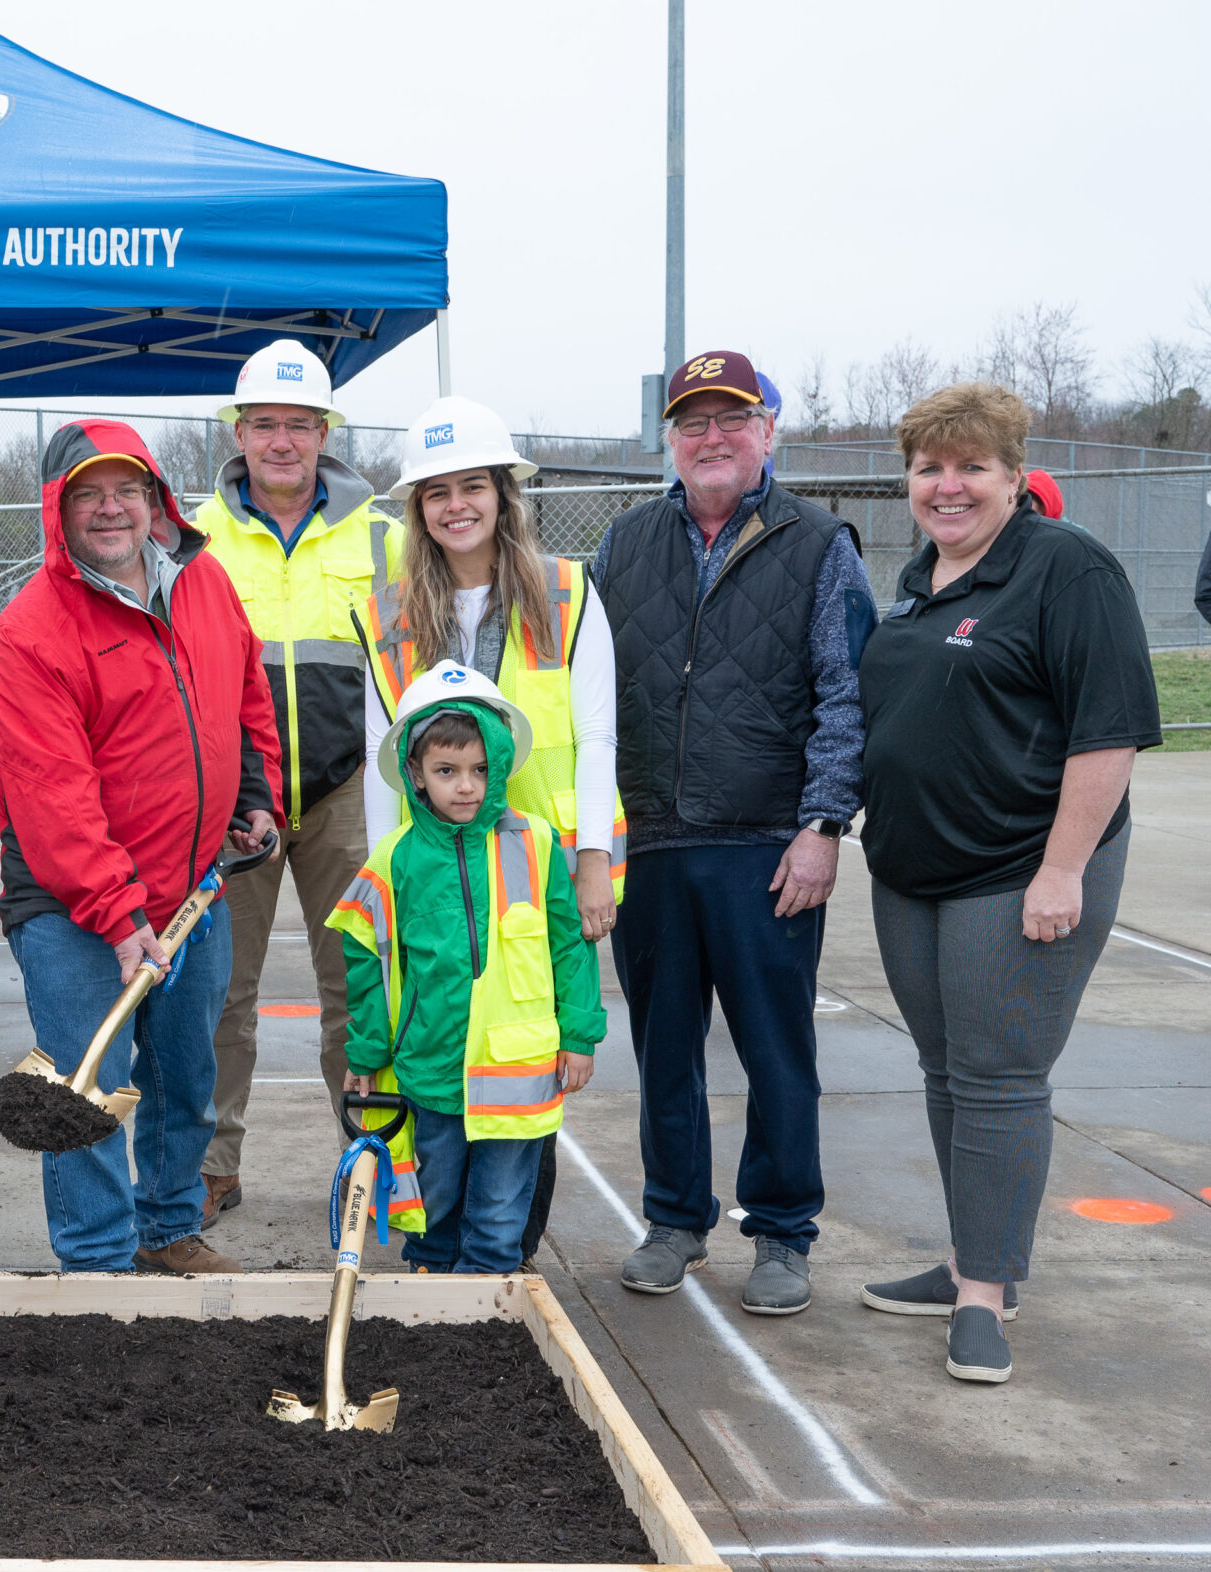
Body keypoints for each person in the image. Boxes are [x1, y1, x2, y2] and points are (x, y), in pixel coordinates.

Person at [855, 383, 1160, 1383]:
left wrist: (1061, 868)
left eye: (971, 467)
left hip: (1018, 867)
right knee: (946, 1070)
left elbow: (1108, 731)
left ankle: (985, 1295)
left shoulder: (1066, 568)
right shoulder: (921, 577)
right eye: (928, 468)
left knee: (998, 1076)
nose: (947, 486)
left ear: (1014, 475)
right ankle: (965, 1259)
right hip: (914, 872)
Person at [591, 349, 875, 1317]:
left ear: (766, 430)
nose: (710, 438)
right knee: (662, 1050)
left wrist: (824, 824)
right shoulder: (623, 543)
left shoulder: (818, 543)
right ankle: (674, 1218)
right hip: (651, 844)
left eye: (730, 419)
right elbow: (589, 693)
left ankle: (783, 1228)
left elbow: (846, 695)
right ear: (669, 440)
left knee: (775, 1050)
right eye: (691, 423)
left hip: (767, 847)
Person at [0, 420, 281, 1275]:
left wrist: (255, 794)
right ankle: (97, 1262)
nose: (110, 508)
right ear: (57, 509)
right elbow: (55, 801)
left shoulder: (202, 582)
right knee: (88, 1090)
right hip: (74, 910)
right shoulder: (29, 633)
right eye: (88, 494)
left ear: (155, 499)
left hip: (194, 890)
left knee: (188, 1077)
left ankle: (167, 1227)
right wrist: (118, 916)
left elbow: (244, 696)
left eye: (128, 489)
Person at [357, 397, 621, 1271]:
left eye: (473, 485)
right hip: (435, 873)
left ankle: (505, 1255)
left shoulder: (567, 590)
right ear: (417, 508)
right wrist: (387, 882)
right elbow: (379, 754)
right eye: (436, 492)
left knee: (522, 1061)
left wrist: (592, 861)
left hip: (534, 871)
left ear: (504, 494)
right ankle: (448, 1249)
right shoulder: (387, 611)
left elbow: (598, 733)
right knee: (437, 1062)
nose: (456, 505)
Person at [193, 339, 405, 1229]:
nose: (282, 440)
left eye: (300, 424)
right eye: (265, 424)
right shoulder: (193, 536)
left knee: (359, 989)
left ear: (326, 433)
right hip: (230, 798)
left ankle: (373, 1161)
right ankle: (211, 1165)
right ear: (239, 433)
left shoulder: (386, 537)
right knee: (220, 993)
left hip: (349, 792)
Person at [332, 666, 605, 1273]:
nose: (466, 786)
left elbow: (570, 946)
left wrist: (580, 1034)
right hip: (432, 1068)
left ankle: (488, 1294)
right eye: (446, 771)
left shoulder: (535, 842)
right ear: (415, 774)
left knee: (501, 1212)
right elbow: (368, 965)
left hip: (519, 1072)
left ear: (501, 764)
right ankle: (431, 1285)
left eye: (481, 769)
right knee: (433, 1202)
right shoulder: (394, 859)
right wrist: (367, 1052)